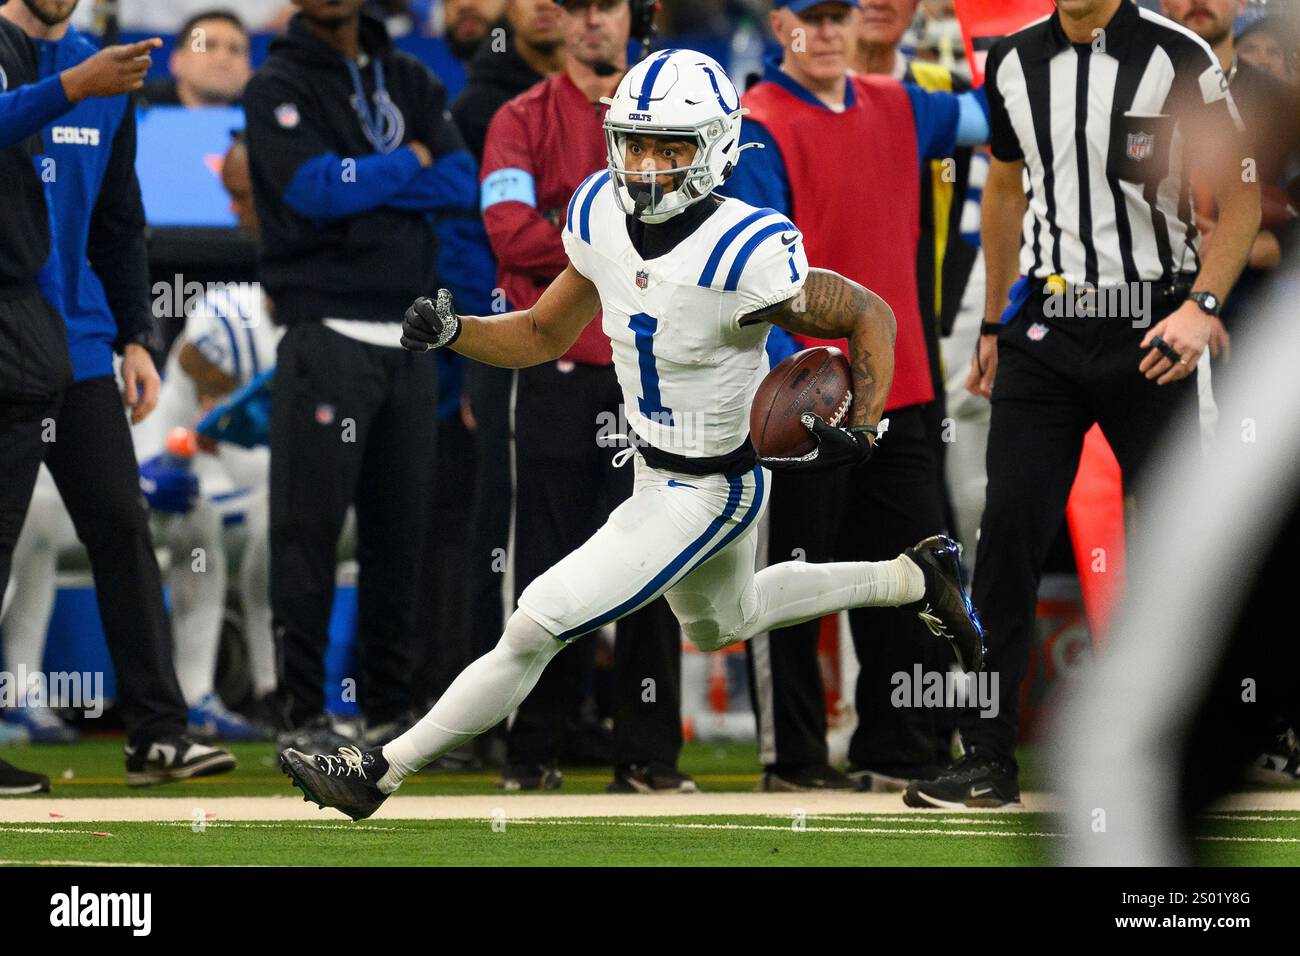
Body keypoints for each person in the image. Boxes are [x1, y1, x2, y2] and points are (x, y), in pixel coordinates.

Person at [277, 49, 986, 822]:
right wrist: (457, 332)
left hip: (715, 484)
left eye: (670, 148)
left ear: (714, 146)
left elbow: (869, 314)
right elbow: (545, 332)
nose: (646, 165)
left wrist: (867, 421)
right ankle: (916, 580)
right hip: (654, 469)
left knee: (537, 619)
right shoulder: (597, 211)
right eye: (635, 143)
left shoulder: (746, 247)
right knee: (726, 623)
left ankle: (378, 772)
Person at [907, 0, 1260, 809]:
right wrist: (996, 317)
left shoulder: (1179, 57)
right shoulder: (1010, 61)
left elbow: (1240, 199)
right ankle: (988, 758)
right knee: (1006, 539)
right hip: (1047, 331)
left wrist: (1202, 308)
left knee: (1182, 542)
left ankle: (1192, 750)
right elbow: (1003, 183)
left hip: (1152, 328)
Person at [720, 0, 990, 792]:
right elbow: (756, 275)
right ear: (780, 27)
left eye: (842, 13)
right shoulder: (757, 124)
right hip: (807, 396)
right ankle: (795, 761)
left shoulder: (901, 104)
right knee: (786, 588)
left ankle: (895, 750)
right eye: (815, 16)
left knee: (915, 580)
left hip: (901, 396)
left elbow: (994, 114)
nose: (831, 29)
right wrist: (794, 387)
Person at [0, 0, 237, 786]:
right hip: (3, 341)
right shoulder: (79, 72)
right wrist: (73, 84)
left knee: (122, 528)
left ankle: (159, 734)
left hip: (79, 345)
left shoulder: (107, 79)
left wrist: (136, 333)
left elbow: (117, 215)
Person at [243, 0, 477, 751]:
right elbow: (311, 191)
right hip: (327, 332)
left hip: (409, 336)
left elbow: (461, 180)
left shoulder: (408, 74)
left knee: (398, 537)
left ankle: (389, 709)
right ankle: (304, 711)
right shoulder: (274, 83)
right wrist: (407, 162)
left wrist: (371, 182)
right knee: (307, 534)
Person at [477, 0, 695, 794]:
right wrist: (631, 249)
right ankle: (534, 750)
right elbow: (505, 230)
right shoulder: (520, 116)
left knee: (658, 562)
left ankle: (647, 757)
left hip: (654, 371)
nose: (590, 20)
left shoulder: (676, 111)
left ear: (637, 16)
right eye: (575, 5)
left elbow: (702, 219)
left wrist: (581, 244)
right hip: (560, 368)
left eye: (606, 4)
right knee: (547, 561)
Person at [442, 0, 564, 751]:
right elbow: (494, 238)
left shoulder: (645, 99)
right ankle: (490, 724)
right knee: (506, 532)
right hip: (511, 336)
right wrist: (469, 345)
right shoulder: (492, 108)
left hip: (615, 339)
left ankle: (571, 711)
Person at [140, 8, 253, 107]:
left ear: (249, 69)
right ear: (177, 60)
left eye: (234, 49)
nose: (222, 58)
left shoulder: (265, 115)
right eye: (208, 45)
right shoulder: (132, 109)